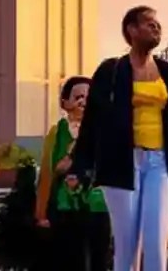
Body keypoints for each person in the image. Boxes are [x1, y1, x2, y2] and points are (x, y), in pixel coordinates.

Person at [69, 6, 168, 271]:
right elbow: (92, 121)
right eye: (149, 23)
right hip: (122, 162)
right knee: (127, 246)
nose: (156, 27)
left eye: (157, 23)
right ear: (131, 30)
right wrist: (81, 167)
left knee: (156, 241)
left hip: (159, 162)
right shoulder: (111, 71)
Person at [35, 76, 111, 271]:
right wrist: (42, 212)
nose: (83, 101)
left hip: (98, 205)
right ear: (65, 103)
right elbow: (49, 170)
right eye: (77, 96)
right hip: (66, 208)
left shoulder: (103, 131)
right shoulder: (57, 132)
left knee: (98, 261)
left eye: (88, 96)